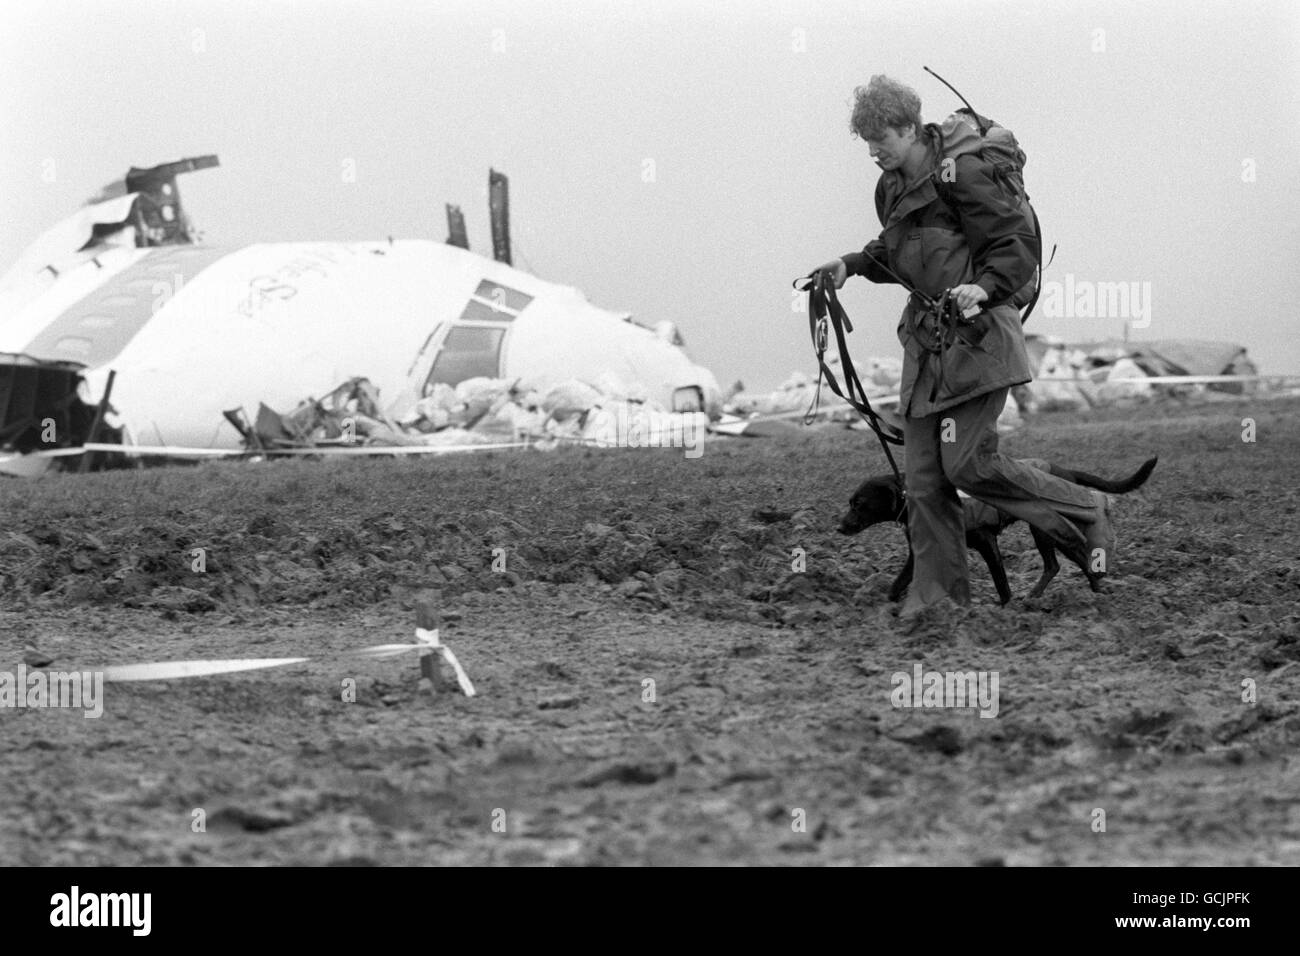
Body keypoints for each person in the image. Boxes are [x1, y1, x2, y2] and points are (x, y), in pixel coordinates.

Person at [815, 75, 1114, 618]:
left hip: (978, 339)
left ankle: (1086, 506)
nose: (873, 151)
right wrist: (851, 267)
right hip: (928, 347)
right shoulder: (889, 188)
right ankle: (939, 600)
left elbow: (1014, 243)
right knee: (924, 482)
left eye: (880, 138)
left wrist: (985, 286)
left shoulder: (965, 172)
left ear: (909, 126)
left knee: (969, 466)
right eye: (867, 142)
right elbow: (900, 251)